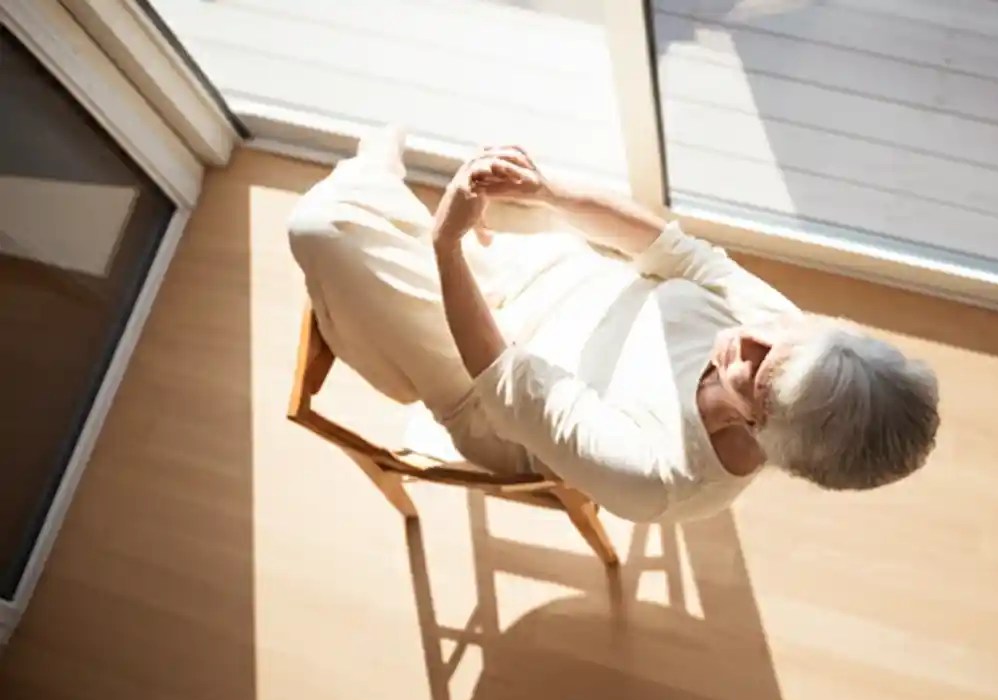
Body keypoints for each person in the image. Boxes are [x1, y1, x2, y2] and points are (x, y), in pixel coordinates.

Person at [288, 126, 939, 523]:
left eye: (754, 369)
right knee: (341, 240)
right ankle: (370, 194)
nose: (753, 335)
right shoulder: (786, 338)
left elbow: (506, 376)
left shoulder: (659, 482)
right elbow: (675, 251)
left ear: (760, 429)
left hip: (486, 378)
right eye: (789, 335)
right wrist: (545, 191)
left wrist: (445, 245)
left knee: (317, 229)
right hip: (559, 282)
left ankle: (370, 180)